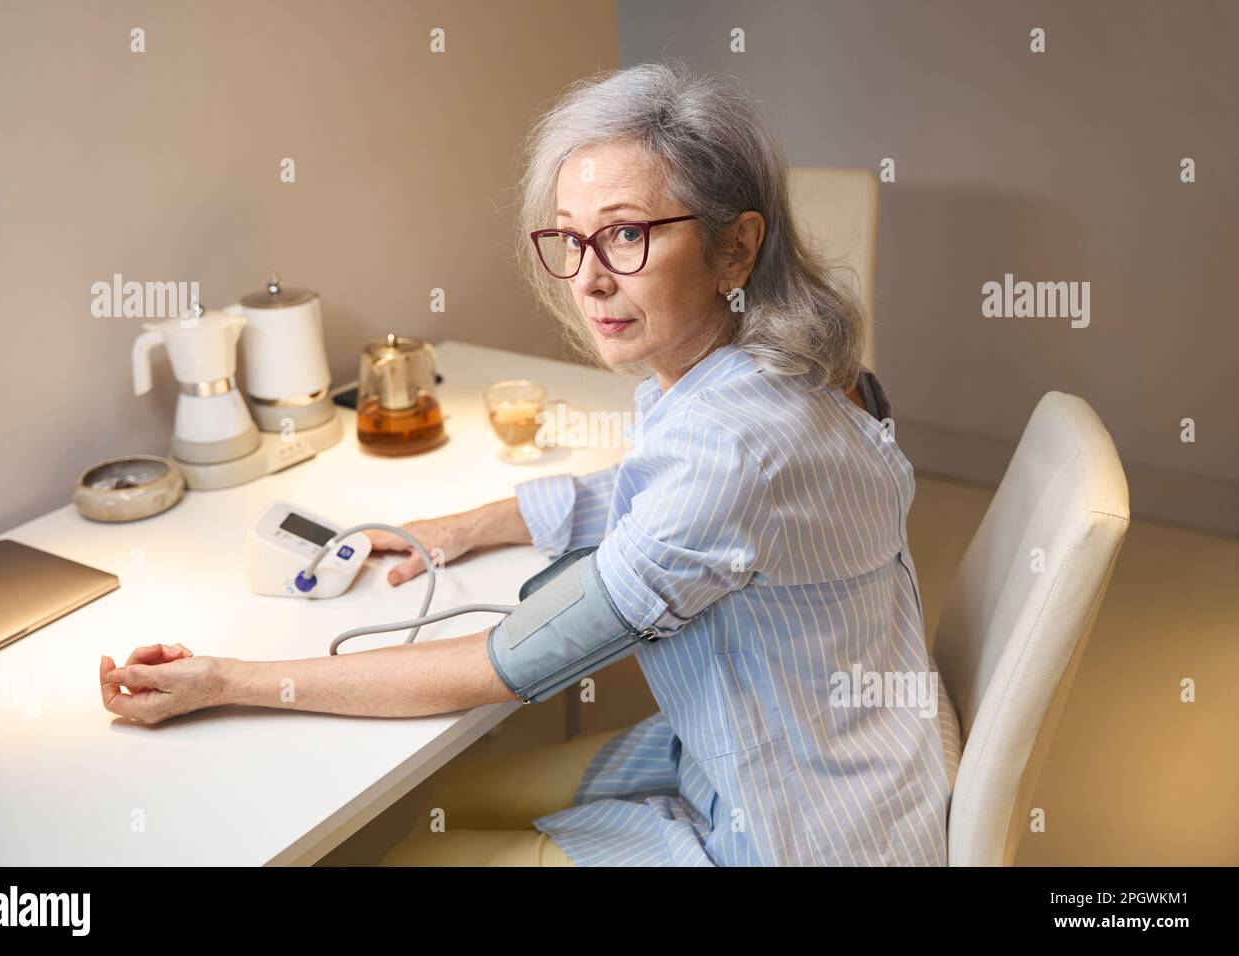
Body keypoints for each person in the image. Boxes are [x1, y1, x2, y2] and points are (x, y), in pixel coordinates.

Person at [101, 61, 960, 866]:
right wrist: (471, 526)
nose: (587, 280)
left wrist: (226, 679)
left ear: (736, 248)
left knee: (418, 846)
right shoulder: (787, 366)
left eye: (626, 235)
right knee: (462, 791)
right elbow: (658, 497)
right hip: (855, 755)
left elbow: (502, 665)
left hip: (793, 828)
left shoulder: (727, 447)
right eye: (570, 239)